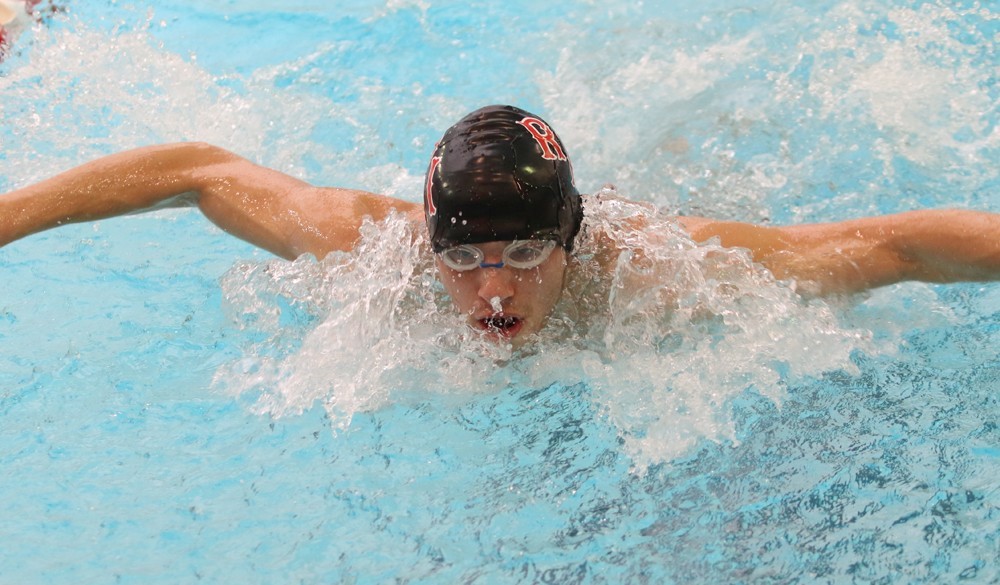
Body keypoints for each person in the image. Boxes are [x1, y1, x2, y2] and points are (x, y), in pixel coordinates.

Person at [2, 105, 999, 344]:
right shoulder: (376, 245)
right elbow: (193, 169)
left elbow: (897, 245)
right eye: (464, 257)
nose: (492, 290)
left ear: (571, 240)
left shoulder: (664, 270)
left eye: (525, 254)